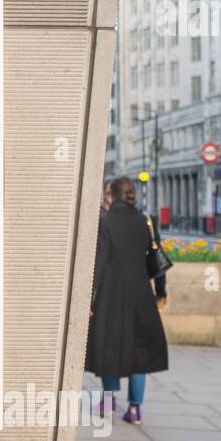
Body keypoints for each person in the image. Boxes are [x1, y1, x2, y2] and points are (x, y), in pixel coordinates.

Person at [86, 176, 168, 424]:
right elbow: (157, 262)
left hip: (110, 294)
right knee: (139, 350)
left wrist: (89, 300)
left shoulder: (105, 222)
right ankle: (135, 408)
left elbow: (98, 264)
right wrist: (161, 292)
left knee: (110, 346)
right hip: (141, 294)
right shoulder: (147, 221)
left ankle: (109, 400)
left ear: (110, 195)